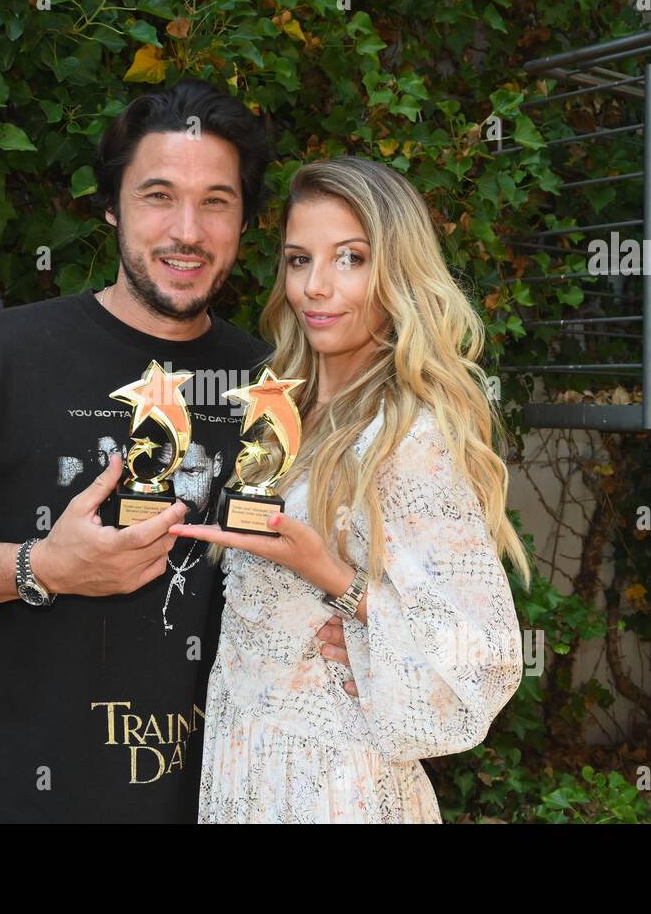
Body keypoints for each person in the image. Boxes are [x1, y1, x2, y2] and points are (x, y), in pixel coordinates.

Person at [0, 77, 352, 823]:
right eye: (158, 195)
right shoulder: (6, 353)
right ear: (111, 206)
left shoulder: (276, 386)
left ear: (246, 223)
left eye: (216, 202)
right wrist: (42, 565)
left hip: (229, 804)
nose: (186, 230)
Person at [169, 156, 530, 823]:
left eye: (350, 258)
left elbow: (487, 654)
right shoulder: (275, 406)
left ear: (394, 269)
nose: (316, 286)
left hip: (337, 786)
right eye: (300, 260)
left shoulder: (409, 432)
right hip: (245, 764)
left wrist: (343, 584)